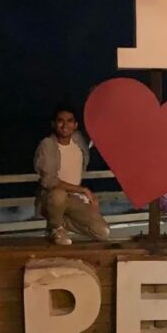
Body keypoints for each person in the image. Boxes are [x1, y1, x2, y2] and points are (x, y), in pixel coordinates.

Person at [34, 104, 110, 246]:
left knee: (102, 233)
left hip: (74, 198)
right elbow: (49, 181)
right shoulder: (47, 145)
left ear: (75, 125)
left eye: (69, 121)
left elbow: (96, 127)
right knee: (58, 195)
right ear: (53, 124)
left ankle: (57, 222)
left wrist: (96, 100)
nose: (65, 125)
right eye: (60, 121)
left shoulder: (78, 140)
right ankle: (56, 229)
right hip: (51, 198)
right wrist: (83, 190)